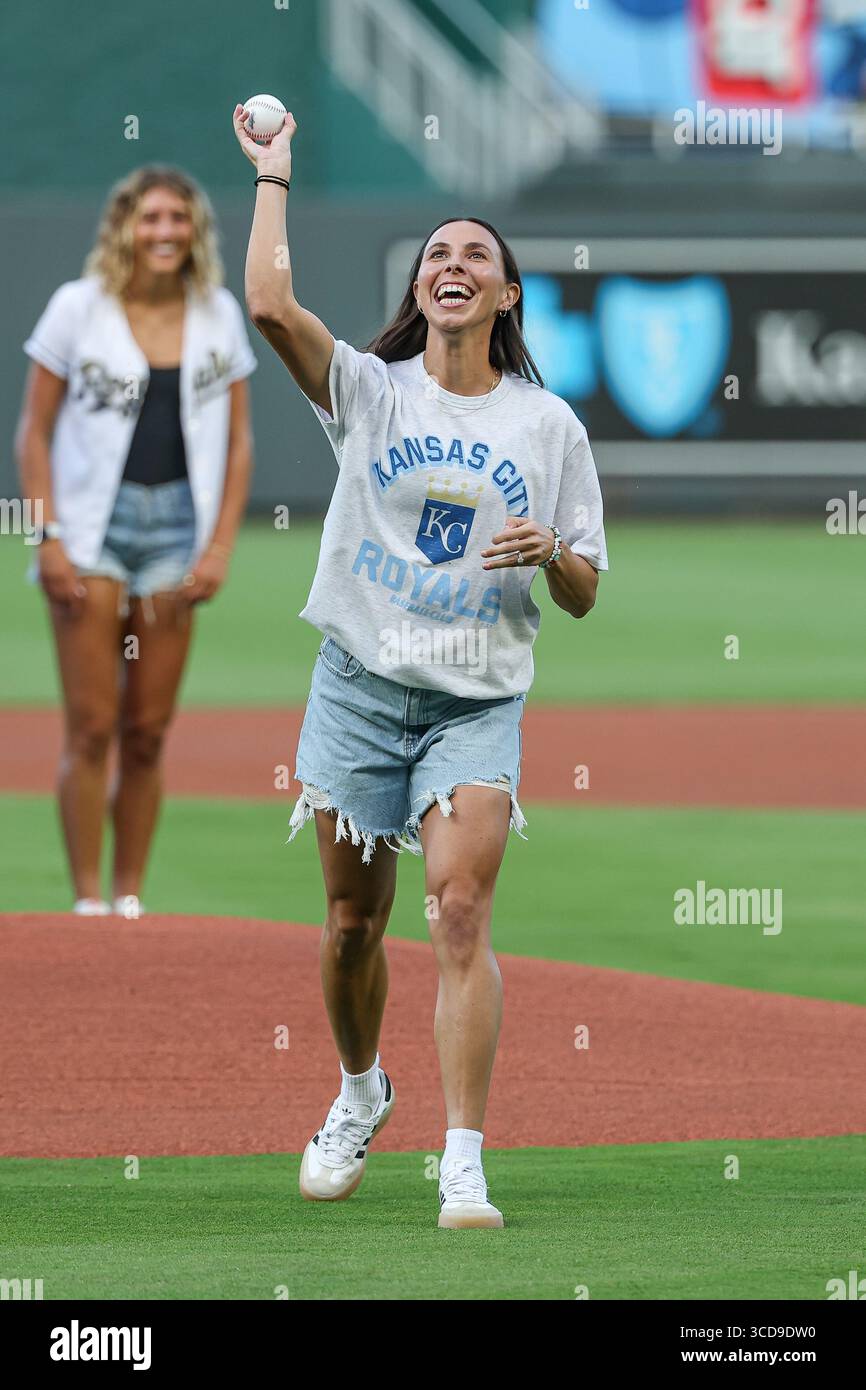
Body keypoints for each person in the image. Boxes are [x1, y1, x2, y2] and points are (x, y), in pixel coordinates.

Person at [233, 106, 608, 1228]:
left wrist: (550, 551)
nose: (452, 264)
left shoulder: (547, 427)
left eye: (475, 256)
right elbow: (264, 303)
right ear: (421, 289)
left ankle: (462, 1156)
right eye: (437, 253)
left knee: (455, 912)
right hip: (356, 687)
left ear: (504, 298)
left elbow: (586, 586)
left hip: (474, 702)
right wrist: (273, 175)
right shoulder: (370, 390)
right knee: (353, 924)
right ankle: (360, 1090)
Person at [16, 165, 256, 919]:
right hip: (91, 529)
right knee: (90, 727)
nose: (164, 233)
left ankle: (130, 899)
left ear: (195, 232)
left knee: (147, 731)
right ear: (124, 225)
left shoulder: (217, 311)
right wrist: (42, 538)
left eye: (178, 220)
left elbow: (240, 441)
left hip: (177, 530)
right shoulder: (77, 308)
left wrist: (218, 548)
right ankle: (87, 899)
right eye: (150, 218)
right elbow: (33, 433)